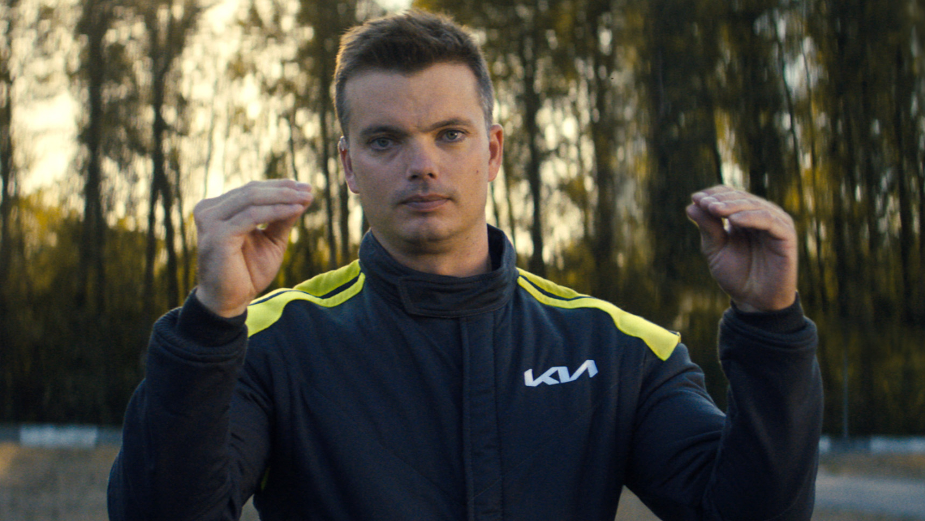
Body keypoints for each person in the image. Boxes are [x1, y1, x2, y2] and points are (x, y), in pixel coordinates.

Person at [108, 10, 822, 521]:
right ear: (348, 167)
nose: (422, 164)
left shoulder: (617, 349)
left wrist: (770, 326)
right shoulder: (267, 344)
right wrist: (207, 323)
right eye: (385, 141)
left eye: (449, 134)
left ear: (492, 151)